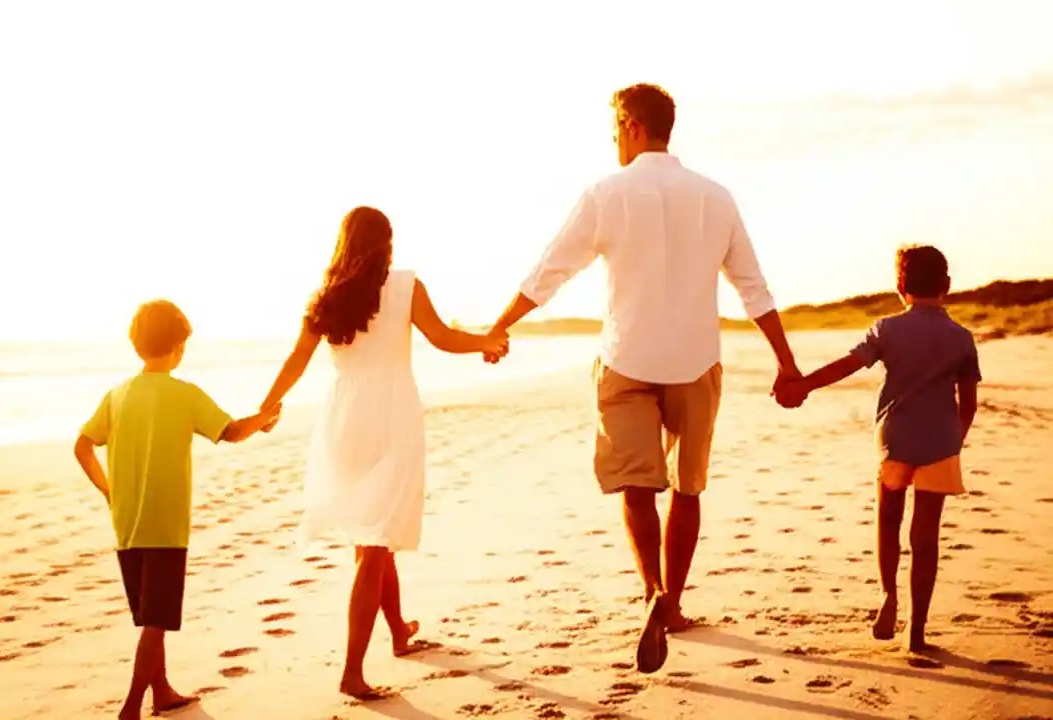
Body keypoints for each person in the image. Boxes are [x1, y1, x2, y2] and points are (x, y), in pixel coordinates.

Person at [485, 83, 800, 674]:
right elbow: (752, 287)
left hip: (627, 359)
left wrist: (500, 326)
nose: (613, 142)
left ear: (631, 125)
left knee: (637, 485)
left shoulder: (607, 193)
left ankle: (651, 587)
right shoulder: (715, 196)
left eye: (614, 131)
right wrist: (786, 362)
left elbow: (552, 268)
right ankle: (674, 603)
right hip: (695, 360)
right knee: (687, 486)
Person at [259, 206, 508, 699]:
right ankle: (352, 671)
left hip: (345, 417)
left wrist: (267, 407)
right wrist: (487, 342)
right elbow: (441, 337)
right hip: (392, 414)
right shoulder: (406, 285)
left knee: (374, 534)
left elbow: (298, 358)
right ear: (385, 243)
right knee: (373, 543)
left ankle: (397, 631)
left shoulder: (327, 297)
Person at [73, 300, 280, 720]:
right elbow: (232, 432)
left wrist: (109, 490)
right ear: (179, 345)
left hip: (126, 523)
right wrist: (265, 417)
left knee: (152, 613)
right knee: (157, 620)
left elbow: (82, 446)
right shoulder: (183, 393)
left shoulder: (116, 395)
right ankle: (130, 708)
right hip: (165, 524)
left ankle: (162, 690)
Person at [775, 246, 980, 652]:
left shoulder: (886, 329)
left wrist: (803, 385)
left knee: (888, 518)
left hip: (895, 439)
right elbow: (968, 401)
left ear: (900, 287)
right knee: (926, 536)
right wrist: (954, 440)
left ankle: (888, 594)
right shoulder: (960, 337)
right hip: (940, 440)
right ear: (947, 286)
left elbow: (848, 364)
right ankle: (916, 632)